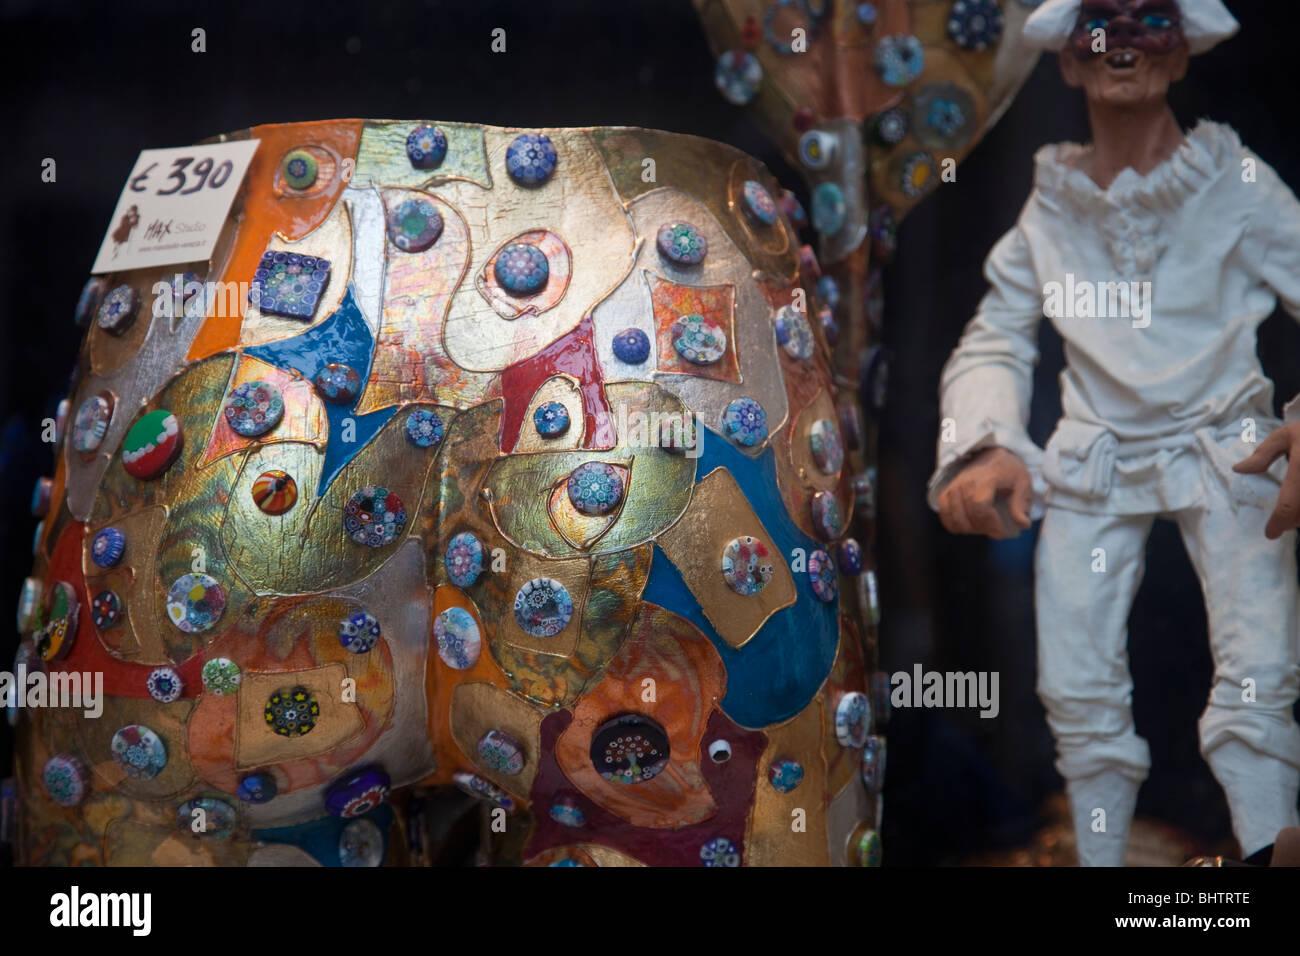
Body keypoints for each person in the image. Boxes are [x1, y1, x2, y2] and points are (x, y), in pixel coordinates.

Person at [929, 0, 1300, 865]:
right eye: (1098, 23)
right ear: (1065, 60)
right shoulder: (1051, 209)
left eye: (1148, 23)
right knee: (1077, 690)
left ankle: (1263, 853)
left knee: (1258, 675)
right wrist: (985, 444)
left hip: (1227, 453)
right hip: (1093, 462)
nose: (1120, 43)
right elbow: (993, 334)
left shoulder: (1233, 183)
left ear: (1181, 54)